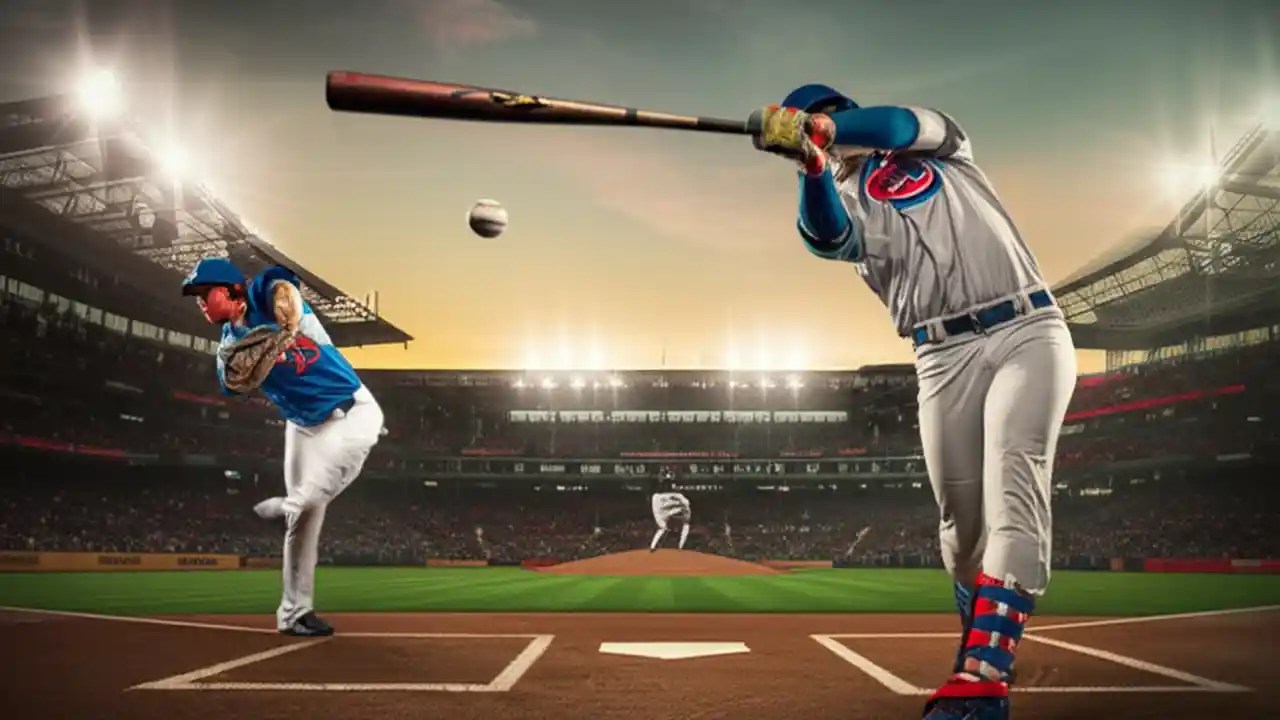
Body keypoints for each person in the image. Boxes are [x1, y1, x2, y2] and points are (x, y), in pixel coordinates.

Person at [751, 86, 1076, 720]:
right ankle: (976, 642)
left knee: (1015, 481)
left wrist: (823, 128)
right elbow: (827, 236)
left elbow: (899, 123)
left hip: (1026, 329)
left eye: (835, 114)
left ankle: (982, 680)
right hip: (940, 356)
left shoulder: (941, 144)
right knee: (962, 533)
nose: (833, 126)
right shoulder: (841, 197)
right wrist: (813, 167)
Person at [181, 257, 384, 637]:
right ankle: (294, 614)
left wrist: (286, 324)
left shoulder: (261, 291)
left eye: (204, 294)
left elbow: (284, 288)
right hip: (301, 424)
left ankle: (288, 504)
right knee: (303, 521)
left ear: (228, 290)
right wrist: (260, 353)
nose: (200, 302)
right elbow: (232, 384)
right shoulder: (229, 346)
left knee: (318, 486)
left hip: (349, 408)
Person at [649, 466, 692, 552]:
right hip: (663, 499)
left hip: (663, 500)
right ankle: (680, 546)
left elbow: (671, 482)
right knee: (684, 519)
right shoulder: (663, 480)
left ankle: (653, 547)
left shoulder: (667, 480)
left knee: (663, 527)